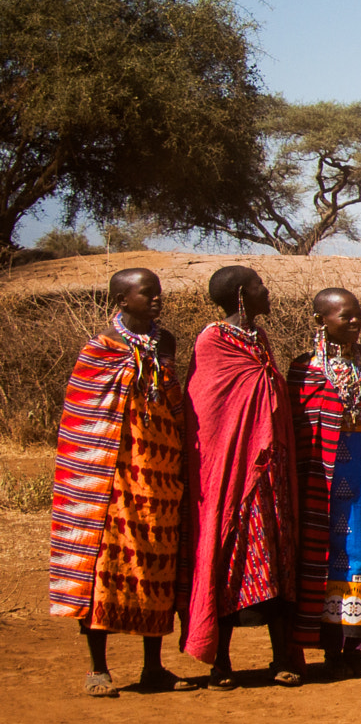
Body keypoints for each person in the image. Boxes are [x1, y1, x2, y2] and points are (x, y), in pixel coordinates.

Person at [50, 268, 194, 695]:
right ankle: (99, 668)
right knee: (105, 567)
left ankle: (154, 667)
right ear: (120, 300)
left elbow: (173, 400)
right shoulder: (100, 349)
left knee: (157, 564)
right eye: (146, 294)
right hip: (110, 475)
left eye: (158, 293)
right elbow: (85, 418)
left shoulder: (164, 343)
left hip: (160, 472)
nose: (156, 300)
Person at [184, 265, 300, 688]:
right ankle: (222, 662)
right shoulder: (213, 340)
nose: (267, 292)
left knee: (277, 556)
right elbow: (211, 408)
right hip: (236, 472)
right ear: (240, 295)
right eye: (259, 287)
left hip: (270, 473)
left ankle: (281, 656)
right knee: (231, 553)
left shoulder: (261, 339)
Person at [287, 288, 361, 679]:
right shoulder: (305, 369)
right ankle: (329, 646)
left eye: (358, 314)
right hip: (323, 474)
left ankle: (356, 646)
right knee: (326, 554)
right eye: (345, 316)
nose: (354, 321)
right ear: (320, 321)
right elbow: (300, 428)